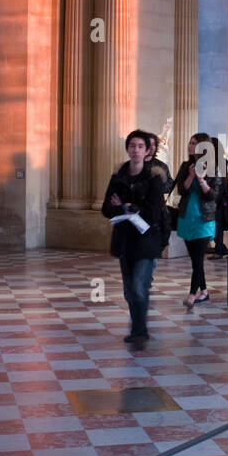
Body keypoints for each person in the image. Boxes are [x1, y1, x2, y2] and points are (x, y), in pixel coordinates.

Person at [102, 130, 168, 343]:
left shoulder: (154, 177)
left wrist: (126, 206)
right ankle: (136, 329)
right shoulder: (118, 175)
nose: (136, 150)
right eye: (132, 146)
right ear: (127, 148)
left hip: (146, 240)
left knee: (139, 286)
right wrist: (127, 208)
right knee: (129, 290)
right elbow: (106, 208)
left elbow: (153, 211)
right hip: (125, 239)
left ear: (147, 150)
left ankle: (140, 331)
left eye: (140, 146)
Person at [173, 133, 221, 308]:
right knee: (195, 259)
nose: (189, 145)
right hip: (187, 216)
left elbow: (212, 196)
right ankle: (205, 291)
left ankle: (192, 294)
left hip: (204, 219)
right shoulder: (186, 166)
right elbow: (181, 190)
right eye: (190, 142)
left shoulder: (215, 167)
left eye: (194, 143)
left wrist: (201, 179)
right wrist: (191, 176)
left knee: (198, 259)